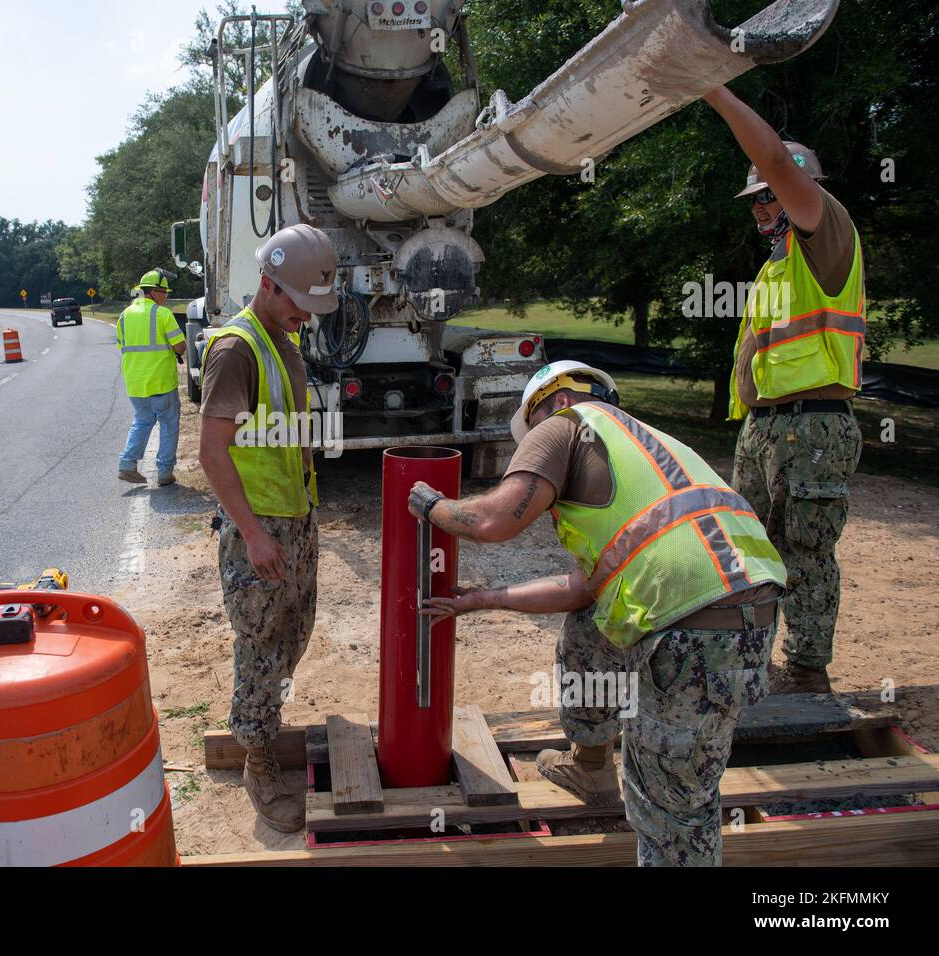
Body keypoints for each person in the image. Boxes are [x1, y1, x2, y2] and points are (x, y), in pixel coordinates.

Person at [412, 361, 787, 866]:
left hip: (694, 632)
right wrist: (482, 598)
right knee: (591, 629)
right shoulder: (646, 447)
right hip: (744, 615)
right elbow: (584, 590)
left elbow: (493, 519)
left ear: (555, 403)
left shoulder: (565, 424)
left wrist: (431, 504)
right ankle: (590, 764)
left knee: (672, 816)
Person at [703, 86, 866, 695]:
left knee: (804, 553)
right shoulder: (777, 265)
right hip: (767, 428)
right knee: (751, 555)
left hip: (814, 426)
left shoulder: (827, 236)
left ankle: (805, 672)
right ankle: (754, 667)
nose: (759, 211)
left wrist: (711, 88)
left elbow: (774, 158)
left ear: (796, 192)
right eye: (754, 204)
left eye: (766, 199)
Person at [198, 223, 338, 832]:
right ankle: (258, 759)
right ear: (266, 285)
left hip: (296, 517)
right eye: (299, 304)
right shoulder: (236, 350)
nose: (306, 317)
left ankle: (264, 724)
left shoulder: (284, 338)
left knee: (293, 632)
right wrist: (254, 534)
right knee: (260, 642)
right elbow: (212, 453)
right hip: (260, 528)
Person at [116, 269, 185, 486]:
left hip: (136, 384)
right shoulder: (163, 314)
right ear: (154, 292)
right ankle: (164, 472)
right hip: (161, 382)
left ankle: (127, 464)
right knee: (169, 424)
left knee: (142, 421)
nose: (166, 296)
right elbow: (180, 347)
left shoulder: (124, 316)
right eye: (164, 292)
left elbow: (122, 346)